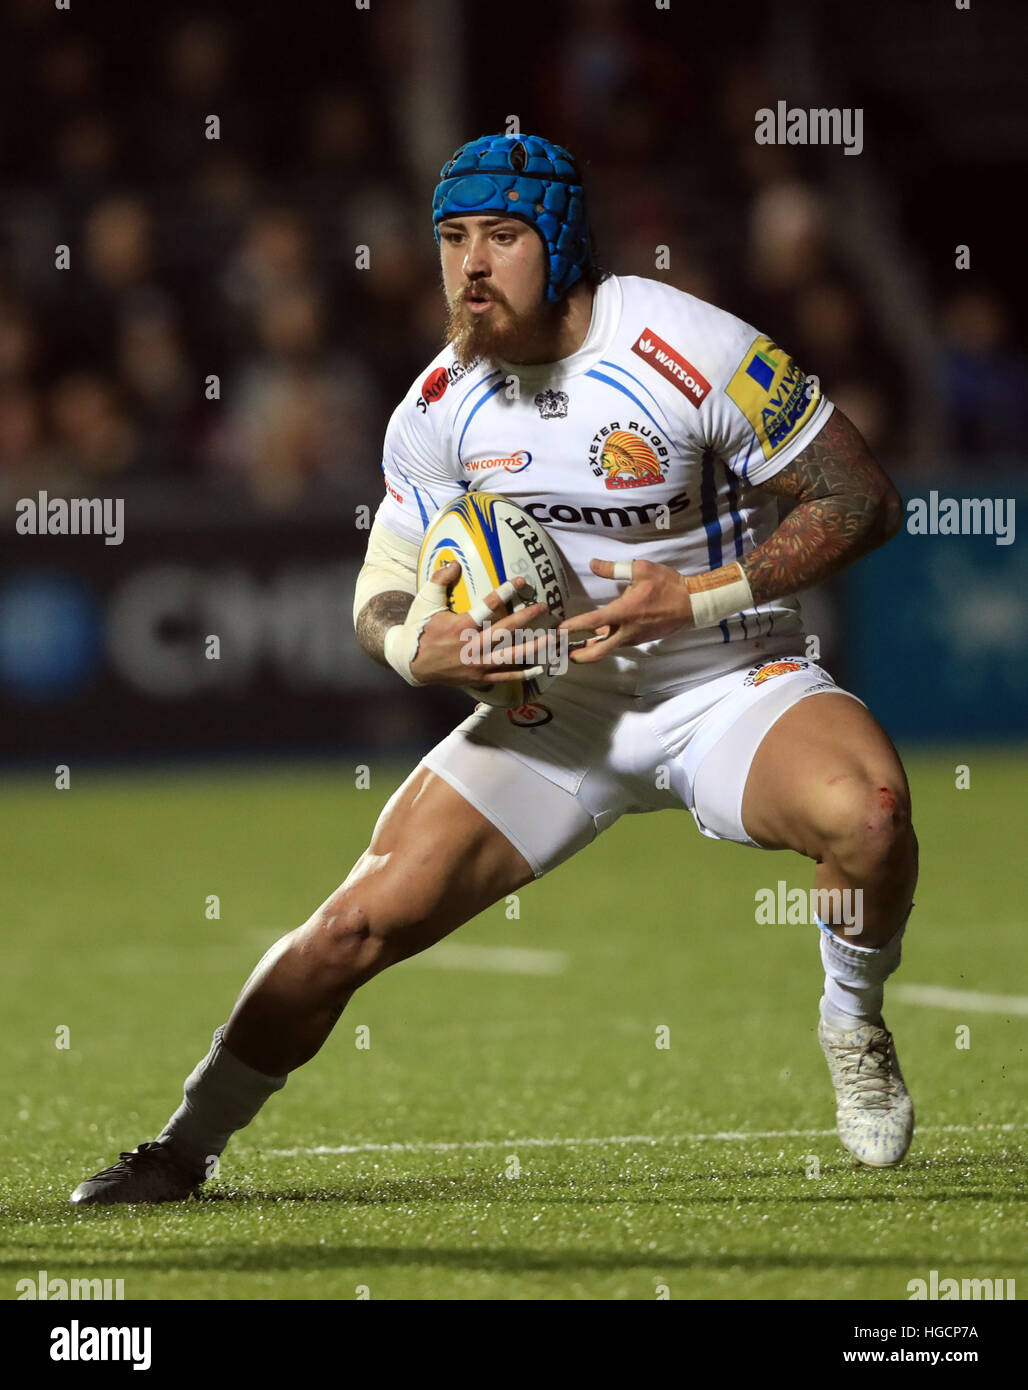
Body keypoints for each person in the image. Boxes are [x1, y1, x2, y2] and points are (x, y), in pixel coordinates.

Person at [72, 135, 917, 1204]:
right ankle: (181, 1150)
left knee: (871, 818)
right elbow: (383, 585)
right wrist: (419, 641)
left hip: (722, 685)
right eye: (452, 238)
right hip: (551, 714)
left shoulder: (690, 347)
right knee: (348, 928)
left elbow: (861, 500)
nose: (470, 265)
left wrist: (695, 596)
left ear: (558, 244)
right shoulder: (436, 404)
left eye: (501, 237)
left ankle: (851, 1017)